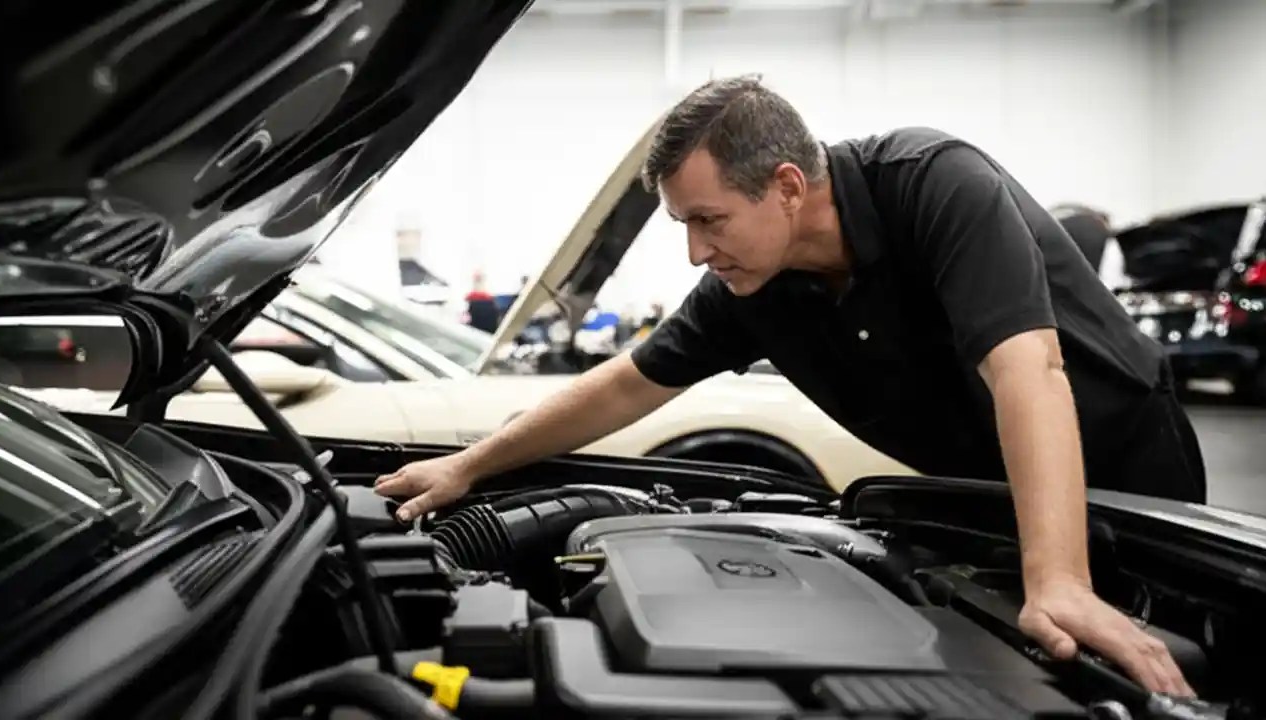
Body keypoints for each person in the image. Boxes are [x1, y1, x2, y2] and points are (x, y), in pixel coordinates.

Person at [375, 75, 1204, 696]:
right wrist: (469, 467)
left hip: (1129, 477)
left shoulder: (934, 184)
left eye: (709, 220)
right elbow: (626, 384)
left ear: (786, 186)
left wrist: (1057, 575)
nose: (697, 252)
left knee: (1162, 673)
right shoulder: (753, 286)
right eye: (684, 226)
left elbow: (1029, 369)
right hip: (980, 498)